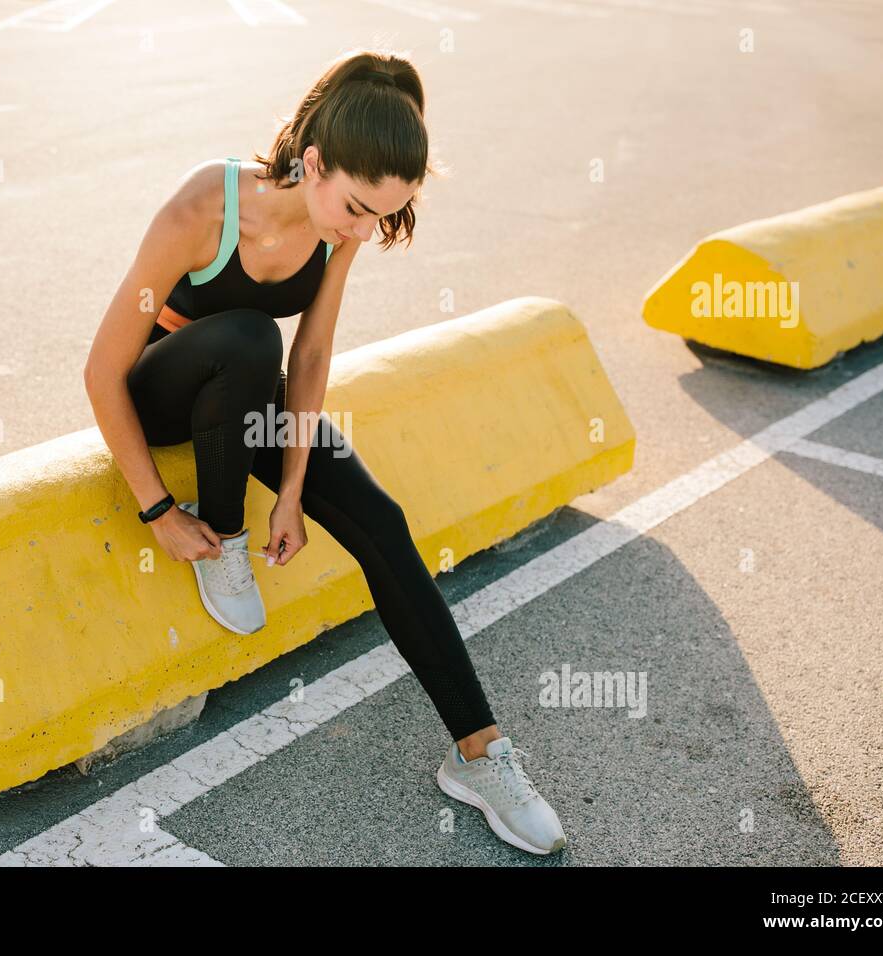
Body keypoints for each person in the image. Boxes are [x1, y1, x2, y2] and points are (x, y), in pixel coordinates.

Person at [83, 49, 566, 855]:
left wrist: (296, 488)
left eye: (380, 215)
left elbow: (308, 359)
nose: (361, 229)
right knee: (242, 336)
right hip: (165, 390)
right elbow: (102, 371)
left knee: (381, 518)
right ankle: (220, 538)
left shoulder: (342, 226)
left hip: (250, 396)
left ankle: (481, 755)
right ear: (313, 162)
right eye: (354, 208)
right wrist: (159, 511)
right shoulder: (205, 206)